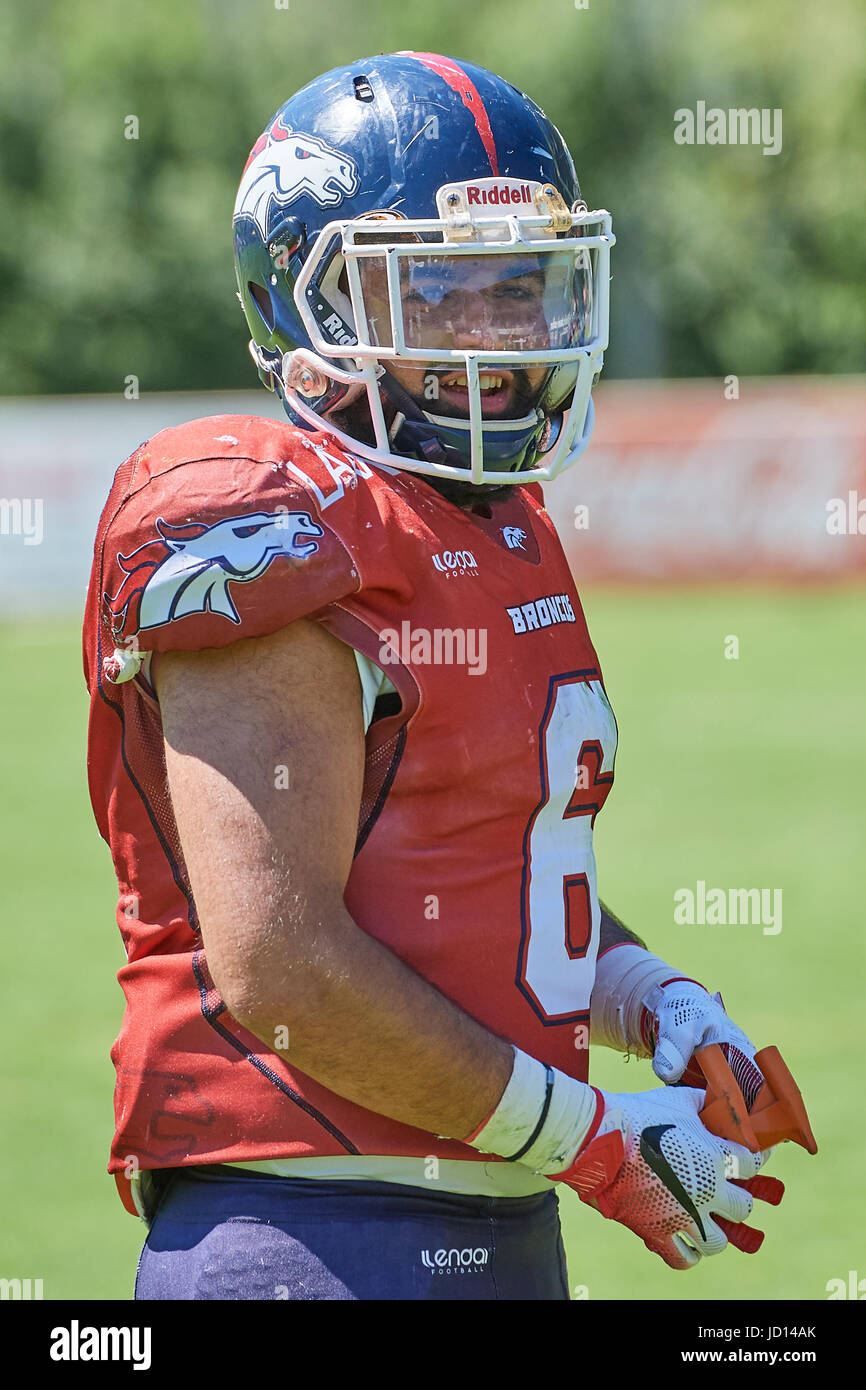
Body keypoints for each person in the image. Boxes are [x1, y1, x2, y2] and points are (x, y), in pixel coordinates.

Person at [83, 50, 779, 1301]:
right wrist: (593, 1135)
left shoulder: (496, 519)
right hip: (306, 1230)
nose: (499, 336)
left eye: (524, 287)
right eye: (441, 290)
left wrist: (654, 997)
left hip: (494, 1227)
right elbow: (281, 962)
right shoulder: (268, 518)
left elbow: (479, 893)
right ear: (310, 304)